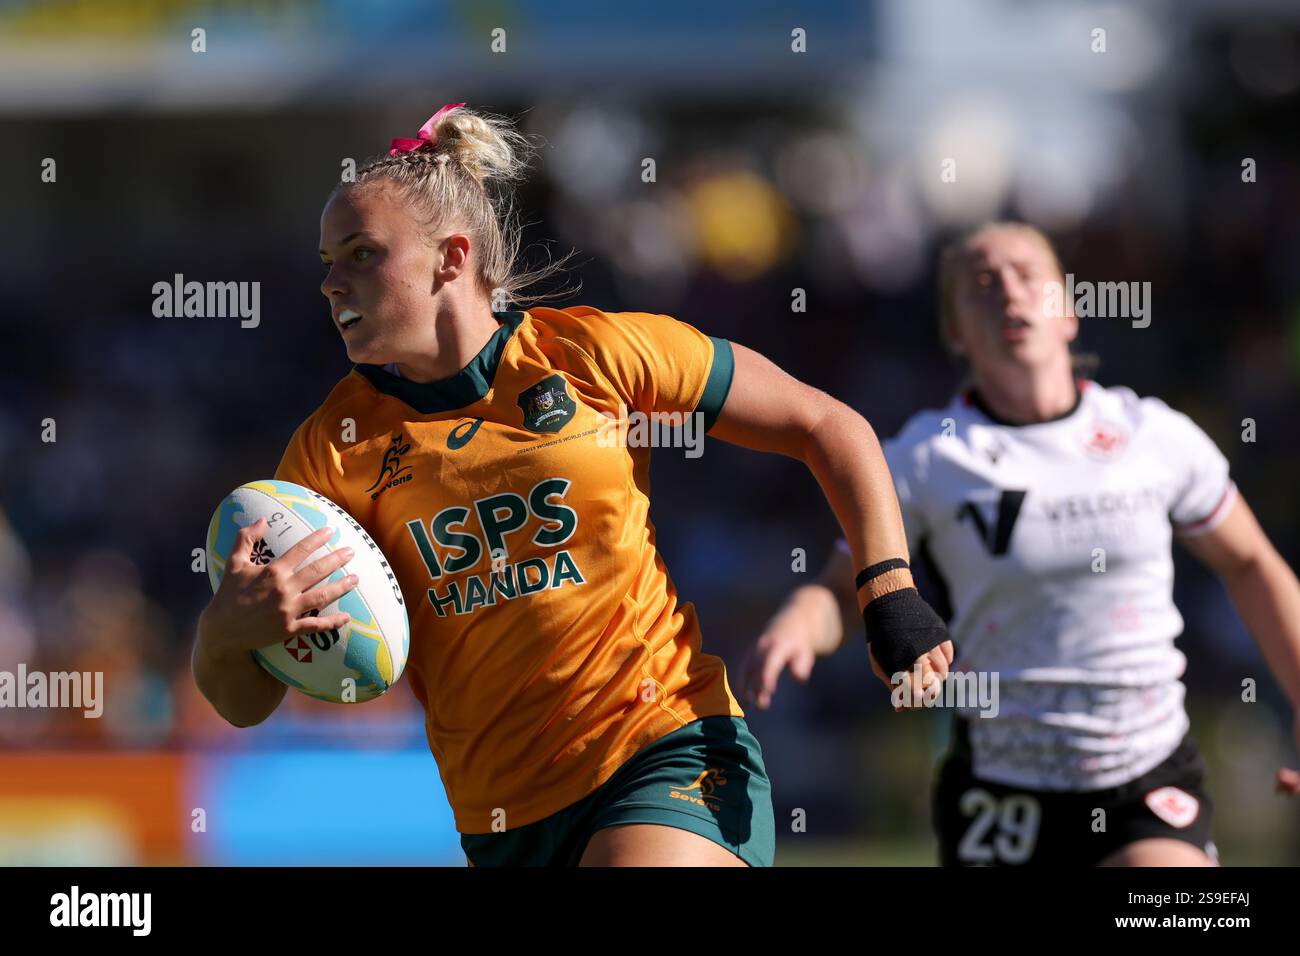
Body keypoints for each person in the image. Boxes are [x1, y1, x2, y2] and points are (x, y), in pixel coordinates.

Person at [191, 103, 951, 867]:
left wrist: (886, 589)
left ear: (451, 259)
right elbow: (246, 701)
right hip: (502, 822)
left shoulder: (594, 354)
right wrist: (231, 630)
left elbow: (828, 426)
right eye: (327, 260)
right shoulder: (331, 449)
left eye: (360, 254)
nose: (330, 283)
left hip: (666, 750)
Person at [744, 221, 1300, 866]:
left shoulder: (1155, 437)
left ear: (1066, 310)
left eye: (1026, 274)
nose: (1007, 289)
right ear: (956, 332)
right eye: (982, 282)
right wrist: (797, 624)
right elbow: (845, 591)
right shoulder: (927, 458)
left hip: (1146, 775)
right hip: (1000, 795)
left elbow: (1253, 563)